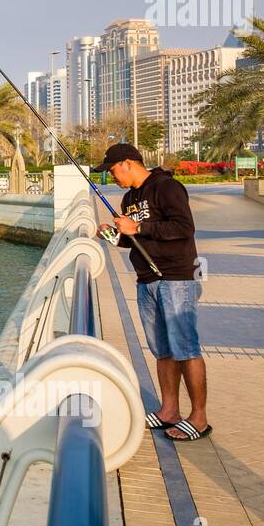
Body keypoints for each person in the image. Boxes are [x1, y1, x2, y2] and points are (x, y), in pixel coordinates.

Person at [95, 144, 211, 442]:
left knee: (185, 348)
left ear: (127, 163)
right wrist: (115, 234)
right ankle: (168, 410)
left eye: (112, 170)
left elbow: (184, 227)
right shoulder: (130, 198)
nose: (111, 176)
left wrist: (138, 227)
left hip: (176, 278)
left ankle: (198, 418)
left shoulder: (167, 187)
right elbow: (133, 239)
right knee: (162, 350)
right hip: (145, 279)